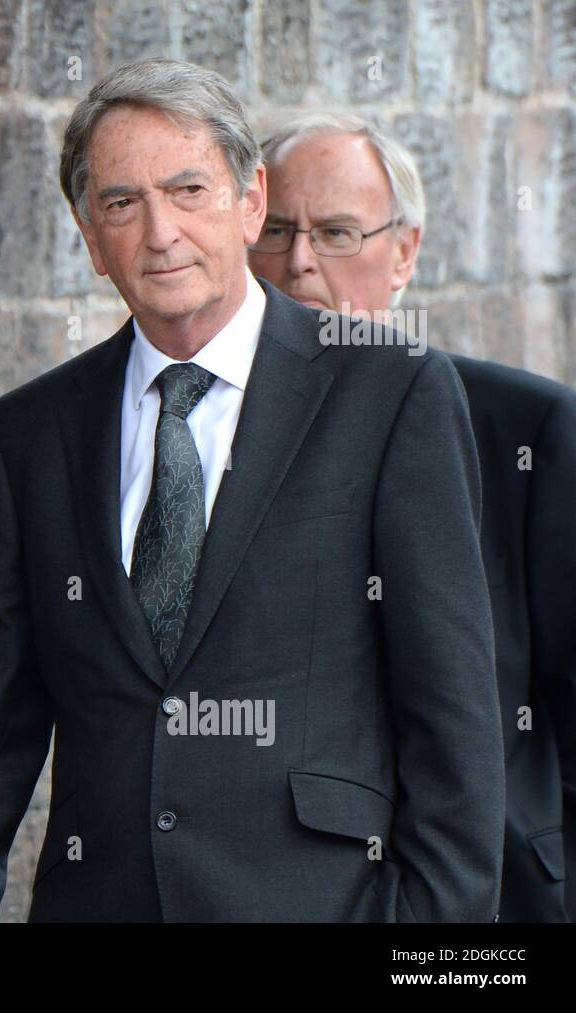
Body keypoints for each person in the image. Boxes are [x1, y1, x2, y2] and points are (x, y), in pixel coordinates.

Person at [0, 58, 504, 922]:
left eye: (188, 190)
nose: (160, 233)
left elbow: (453, 719)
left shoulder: (391, 391)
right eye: (121, 203)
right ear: (87, 233)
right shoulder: (29, 432)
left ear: (250, 199)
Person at [248, 112, 576, 922]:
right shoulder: (206, 431)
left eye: (336, 233)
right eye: (278, 229)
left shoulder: (528, 427)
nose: (300, 262)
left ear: (404, 252)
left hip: (501, 895)